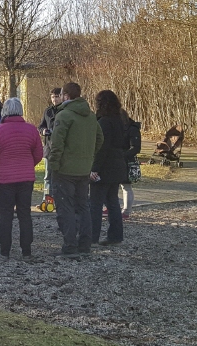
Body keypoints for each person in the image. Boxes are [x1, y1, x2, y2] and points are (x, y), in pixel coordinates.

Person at [0, 98, 43, 257]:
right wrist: (27, 165)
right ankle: (27, 250)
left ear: (4, 111)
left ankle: (5, 251)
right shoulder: (31, 130)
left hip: (4, 179)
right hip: (26, 178)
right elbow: (38, 155)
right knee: (25, 214)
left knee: (6, 215)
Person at [48, 82, 103, 256]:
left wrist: (54, 165)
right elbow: (100, 139)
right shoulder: (91, 116)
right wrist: (88, 156)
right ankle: (85, 244)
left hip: (65, 170)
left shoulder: (64, 116)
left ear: (66, 96)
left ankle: (70, 245)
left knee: (66, 208)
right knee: (83, 207)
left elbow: (57, 144)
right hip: (84, 168)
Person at [91, 90, 129, 246]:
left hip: (105, 167)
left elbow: (102, 149)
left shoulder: (104, 122)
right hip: (118, 165)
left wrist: (94, 168)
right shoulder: (120, 120)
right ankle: (116, 235)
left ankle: (92, 237)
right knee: (113, 202)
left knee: (95, 203)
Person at [38, 87, 63, 205]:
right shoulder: (47, 111)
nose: (54, 99)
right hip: (49, 148)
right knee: (48, 176)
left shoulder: (65, 111)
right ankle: (47, 200)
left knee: (61, 177)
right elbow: (41, 126)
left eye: (57, 96)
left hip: (62, 149)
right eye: (53, 97)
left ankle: (60, 200)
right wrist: (43, 131)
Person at [121, 110, 143, 218]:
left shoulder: (132, 129)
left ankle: (126, 210)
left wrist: (122, 155)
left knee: (126, 186)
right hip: (123, 159)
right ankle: (124, 210)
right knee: (124, 187)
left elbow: (136, 147)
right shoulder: (131, 128)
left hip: (127, 161)